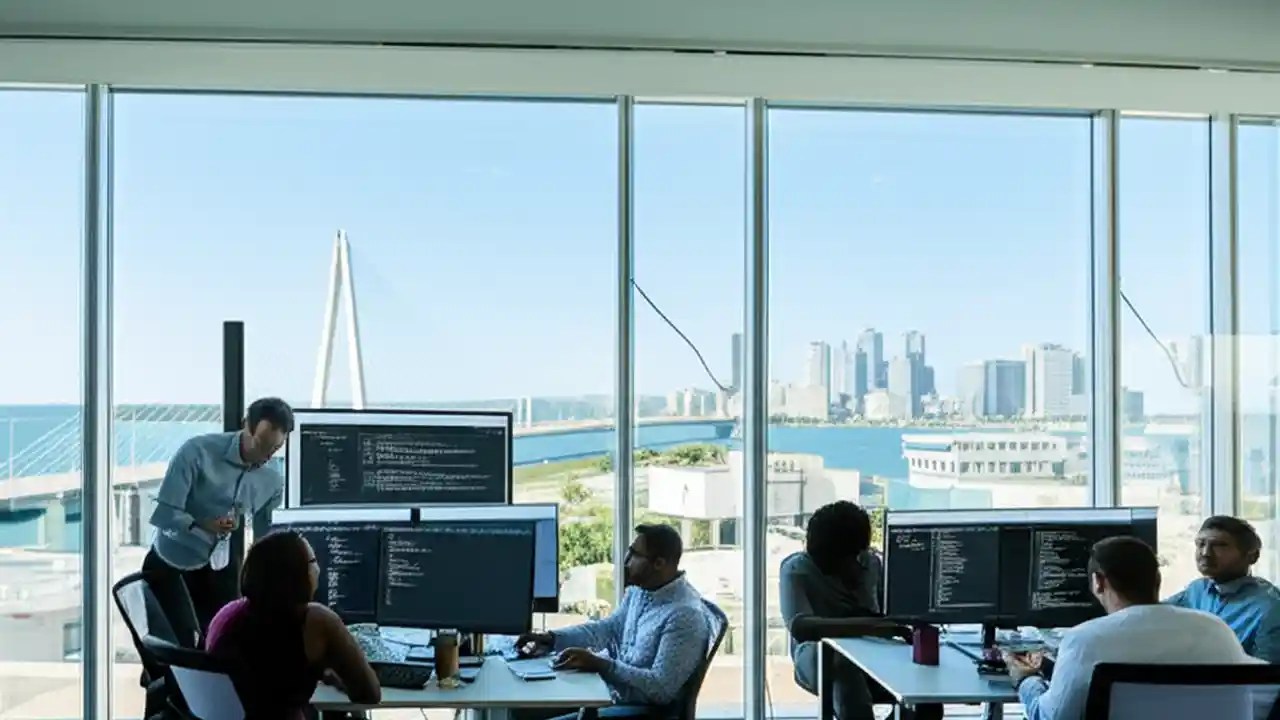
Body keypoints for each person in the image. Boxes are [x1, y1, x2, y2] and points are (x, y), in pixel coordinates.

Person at [1008, 536, 1254, 720]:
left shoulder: (1085, 640)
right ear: (1158, 580)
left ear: (1098, 582)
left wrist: (1026, 679)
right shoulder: (1216, 630)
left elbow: (1051, 717)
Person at [516, 524, 710, 719]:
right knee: (519, 710)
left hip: (639, 710)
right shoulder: (642, 590)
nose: (626, 561)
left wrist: (602, 665)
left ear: (659, 563)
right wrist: (552, 639)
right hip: (608, 693)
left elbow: (661, 689)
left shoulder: (685, 616)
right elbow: (608, 630)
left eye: (634, 555)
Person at [143, 397, 294, 646]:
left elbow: (265, 536)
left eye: (275, 448)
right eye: (262, 445)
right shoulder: (196, 452)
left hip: (220, 566)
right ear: (246, 426)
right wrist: (202, 524)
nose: (267, 456)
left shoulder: (272, 482)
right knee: (180, 646)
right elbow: (165, 515)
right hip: (172, 563)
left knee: (227, 641)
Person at [779, 501, 937, 720]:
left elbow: (892, 612)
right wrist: (874, 626)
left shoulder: (872, 565)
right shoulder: (798, 568)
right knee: (842, 668)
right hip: (820, 653)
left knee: (928, 700)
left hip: (873, 651)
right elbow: (801, 626)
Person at [206, 530, 380, 719]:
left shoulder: (226, 614)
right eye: (313, 562)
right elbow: (369, 694)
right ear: (295, 574)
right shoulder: (316, 620)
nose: (319, 569)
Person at [1165, 515, 1280, 662]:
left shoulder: (1269, 607)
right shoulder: (1197, 590)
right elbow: (1153, 612)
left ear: (1252, 556)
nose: (1205, 553)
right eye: (1200, 544)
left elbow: (1267, 669)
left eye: (1219, 545)